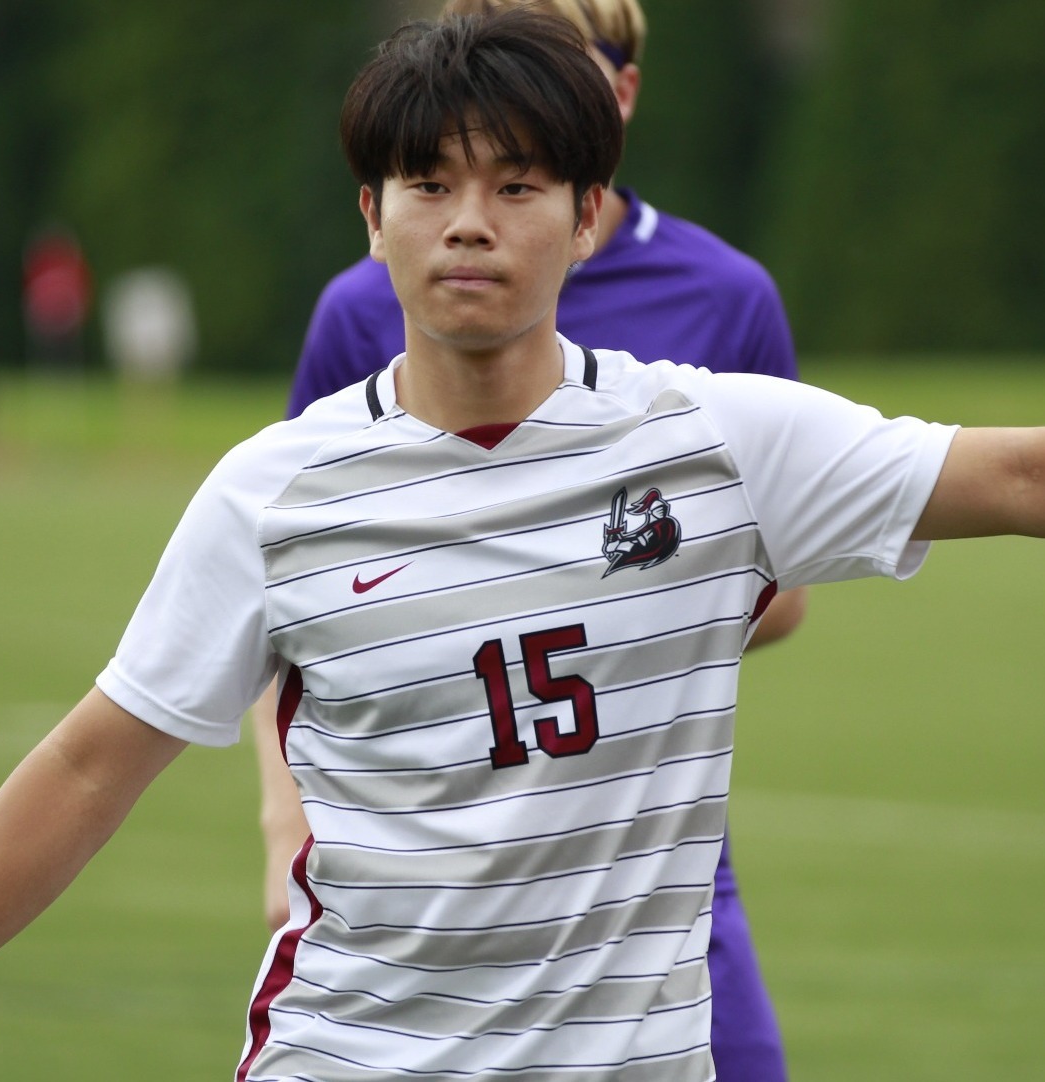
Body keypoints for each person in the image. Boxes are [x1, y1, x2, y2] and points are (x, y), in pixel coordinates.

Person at [0, 13, 1045, 1081]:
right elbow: (93, 755)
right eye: (427, 182)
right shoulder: (273, 491)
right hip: (355, 1052)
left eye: (515, 183)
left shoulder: (709, 431)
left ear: (592, 210)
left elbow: (1016, 472)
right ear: (372, 215)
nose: (470, 221)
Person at [254, 2, 803, 1077]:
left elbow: (779, 591)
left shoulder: (727, 297)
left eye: (559, 68)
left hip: (642, 840)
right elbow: (286, 603)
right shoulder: (365, 305)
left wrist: (591, 597)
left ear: (624, 93)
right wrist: (285, 823)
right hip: (418, 845)